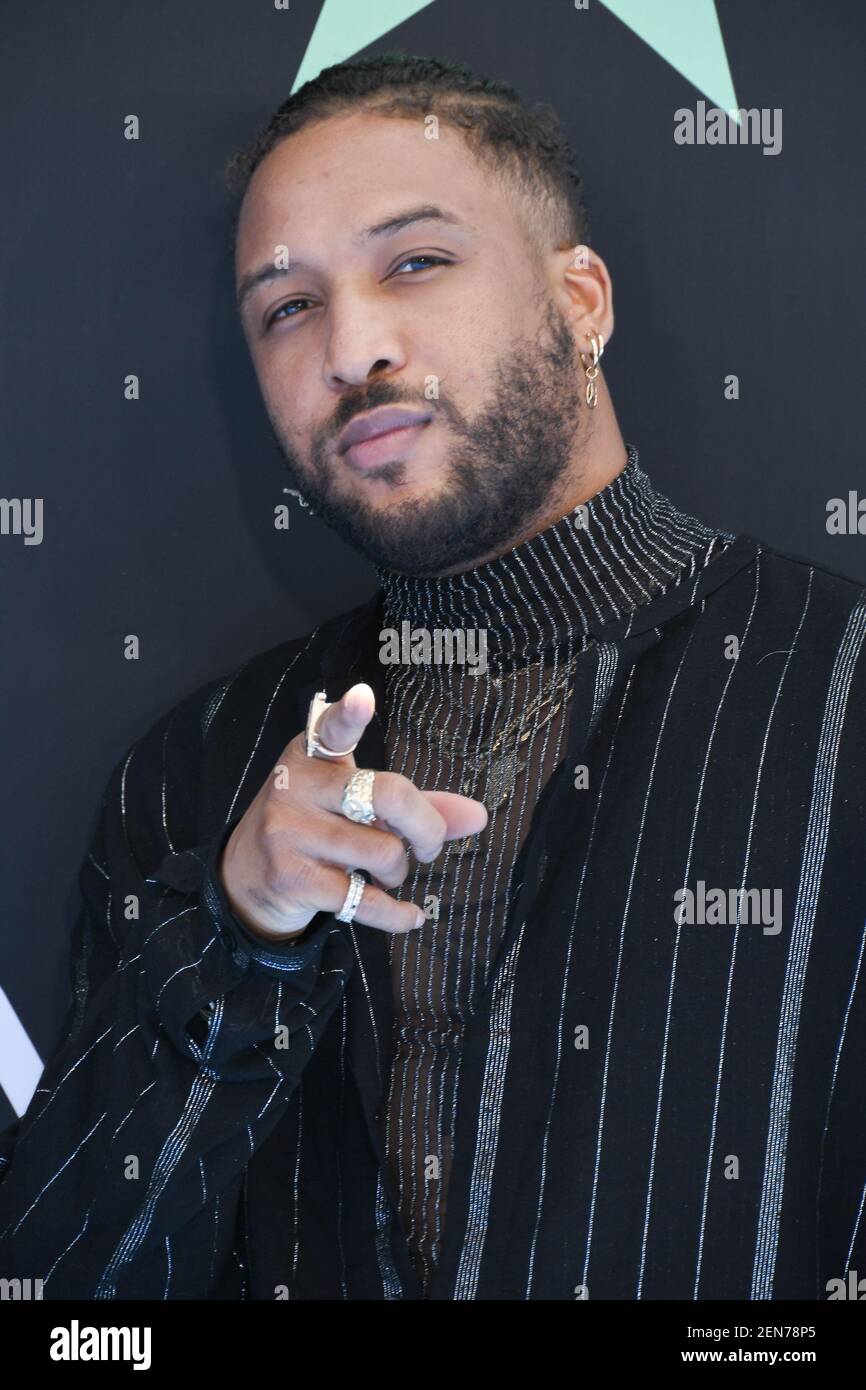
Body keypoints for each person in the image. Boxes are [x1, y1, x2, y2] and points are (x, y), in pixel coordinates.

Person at [1, 52, 864, 1301]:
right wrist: (238, 944)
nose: (353, 346)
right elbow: (71, 1310)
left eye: (414, 261)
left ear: (580, 301)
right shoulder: (190, 778)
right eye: (286, 307)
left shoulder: (836, 695)